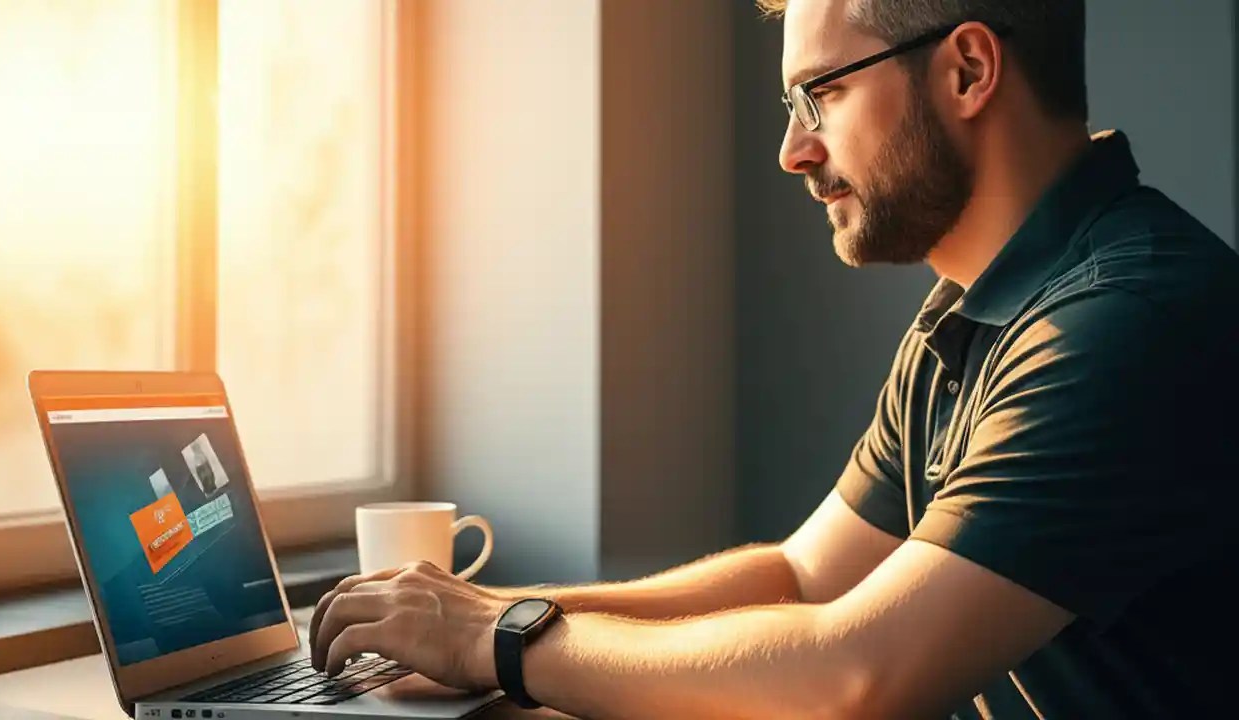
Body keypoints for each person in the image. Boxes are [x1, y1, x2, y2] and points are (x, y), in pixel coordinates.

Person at [307, 0, 1239, 717]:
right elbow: (803, 576)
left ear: (967, 70)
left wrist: (499, 644)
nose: (794, 150)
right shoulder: (975, 315)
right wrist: (487, 612)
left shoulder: (1121, 324)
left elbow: (854, 679)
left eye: (820, 94)